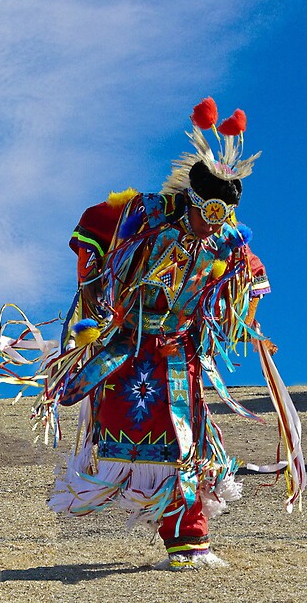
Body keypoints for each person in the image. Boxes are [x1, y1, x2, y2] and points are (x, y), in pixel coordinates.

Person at [35, 97, 305, 570]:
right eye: (206, 214)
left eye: (221, 219)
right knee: (128, 432)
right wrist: (94, 288)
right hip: (129, 342)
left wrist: (247, 315)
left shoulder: (225, 238)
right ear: (192, 201)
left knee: (183, 442)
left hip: (179, 352)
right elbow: (93, 226)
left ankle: (187, 541)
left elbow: (251, 273)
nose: (210, 227)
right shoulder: (147, 212)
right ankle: (151, 512)